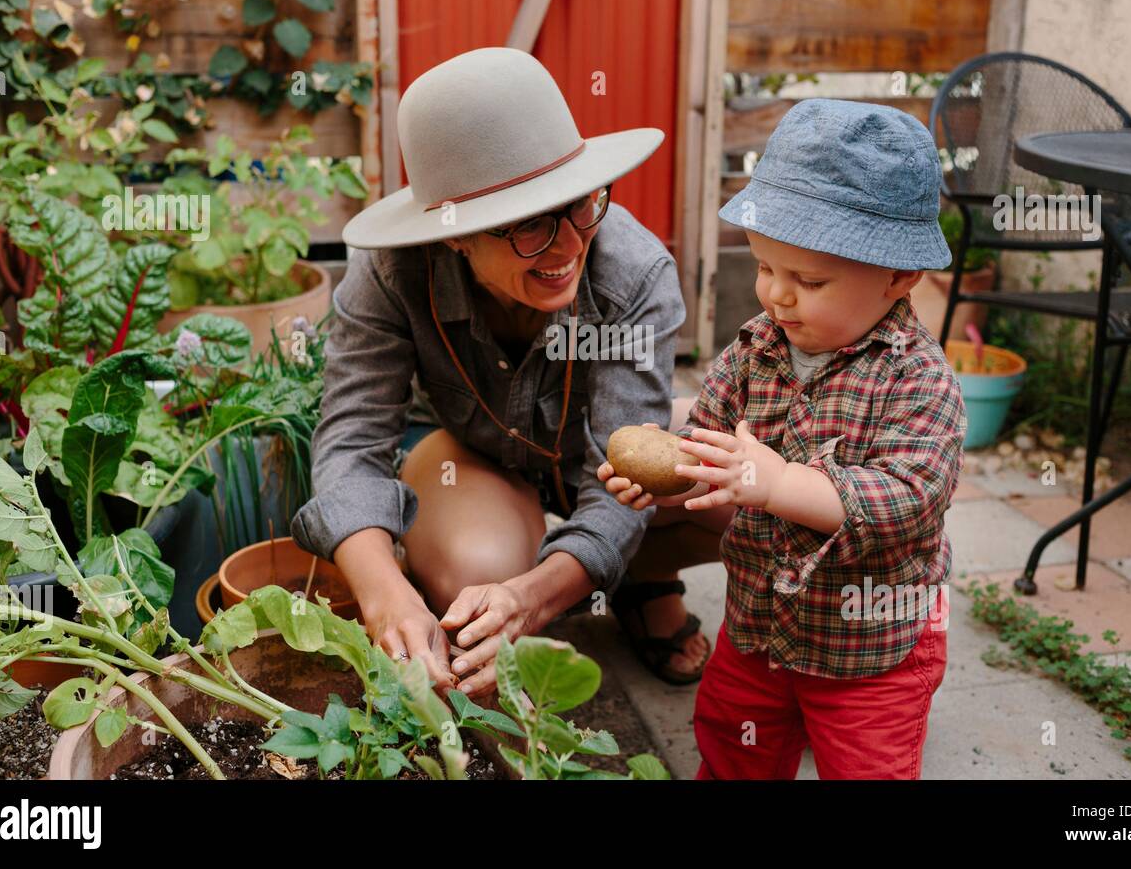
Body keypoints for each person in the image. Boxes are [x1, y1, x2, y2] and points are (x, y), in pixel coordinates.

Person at [291, 47, 712, 698]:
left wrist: (535, 599)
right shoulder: (391, 273)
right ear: (454, 235)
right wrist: (385, 597)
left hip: (597, 460)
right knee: (473, 567)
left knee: (740, 482)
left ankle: (640, 577)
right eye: (531, 227)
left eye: (580, 205)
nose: (571, 245)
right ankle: (568, 573)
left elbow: (622, 472)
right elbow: (350, 441)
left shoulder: (634, 271)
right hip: (475, 457)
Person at [600, 99, 968, 778]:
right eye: (766, 267)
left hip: (869, 651)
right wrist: (667, 475)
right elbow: (710, 445)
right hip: (759, 630)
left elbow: (908, 501)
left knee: (867, 769)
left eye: (810, 280)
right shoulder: (753, 350)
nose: (776, 295)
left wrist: (780, 484)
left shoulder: (919, 380)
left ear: (898, 276)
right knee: (734, 751)